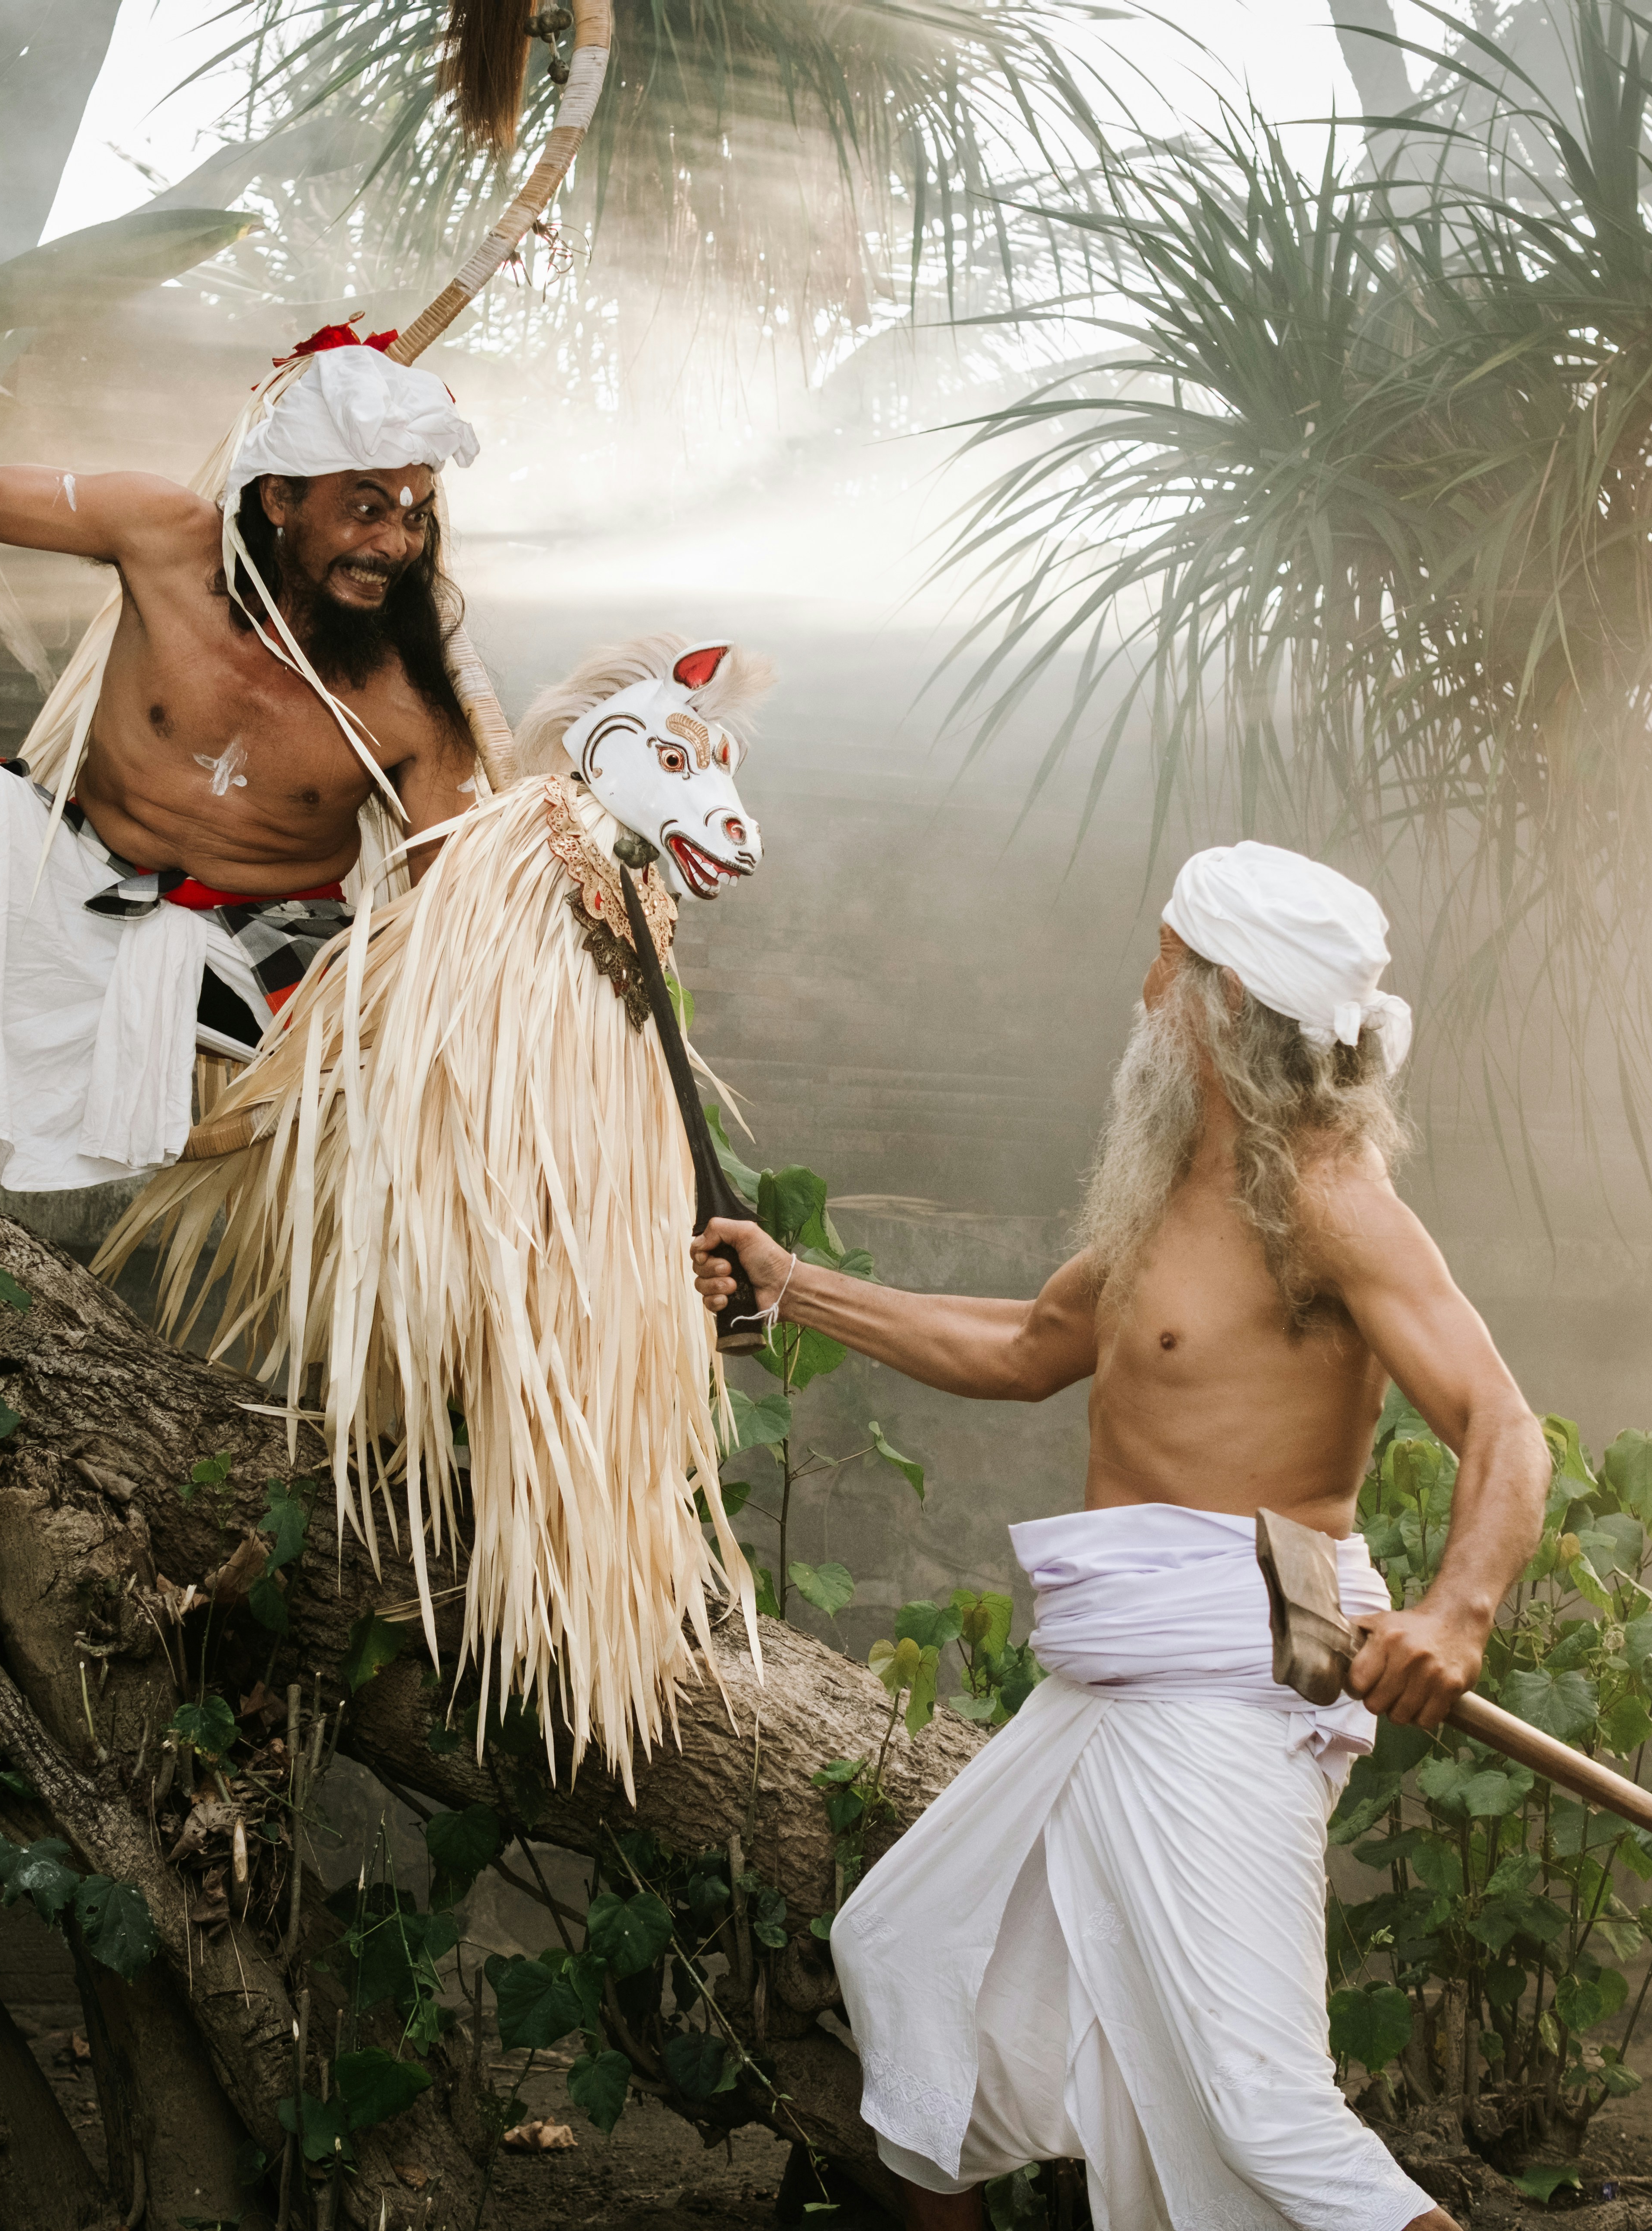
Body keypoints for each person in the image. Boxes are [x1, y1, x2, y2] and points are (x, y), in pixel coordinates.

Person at [691, 842, 1547, 2231]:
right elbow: (1030, 1347)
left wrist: (1460, 1612)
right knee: (909, 1953)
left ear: (1216, 1002)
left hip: (1233, 1677)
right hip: (1112, 1685)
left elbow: (1505, 1424)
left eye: (1164, 960)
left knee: (1264, 2111)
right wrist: (796, 1288)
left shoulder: (1330, 1205)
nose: (1141, 988)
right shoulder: (1168, 1190)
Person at [0, 329, 488, 1186]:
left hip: (261, 961)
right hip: (81, 871)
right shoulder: (166, 537)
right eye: (368, 506)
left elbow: (454, 916)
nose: (395, 544)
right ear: (280, 497)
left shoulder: (413, 704)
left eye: (416, 515)